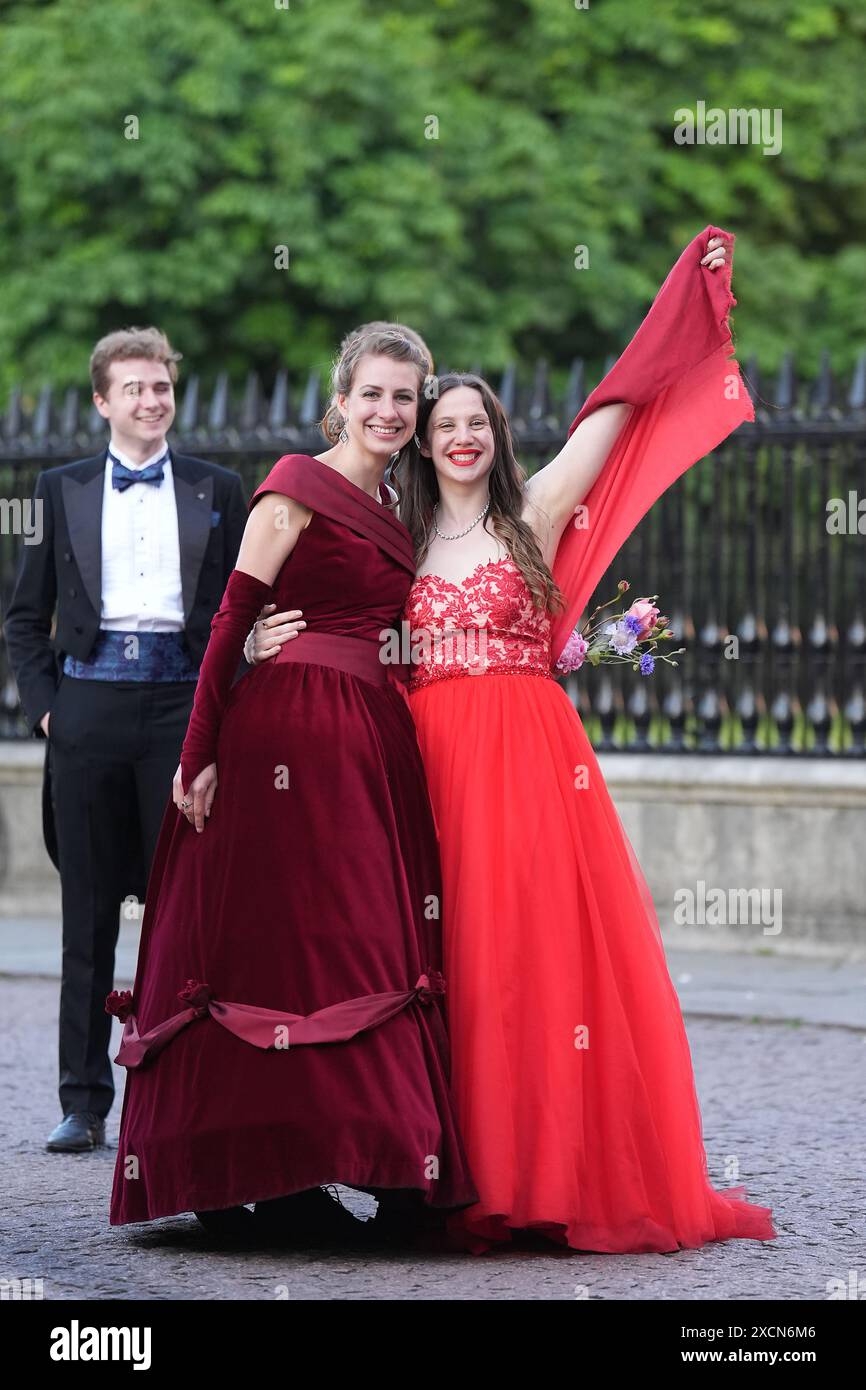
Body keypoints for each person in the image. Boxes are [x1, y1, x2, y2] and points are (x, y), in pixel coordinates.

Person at [248, 230, 779, 1253]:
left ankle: (555, 1173)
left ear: (492, 436)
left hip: (527, 759)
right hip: (423, 761)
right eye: (437, 423)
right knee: (450, 963)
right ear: (417, 439)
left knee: (533, 957)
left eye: (470, 422)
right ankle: (462, 1176)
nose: (454, 436)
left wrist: (686, 293)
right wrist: (274, 635)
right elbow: (331, 607)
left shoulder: (532, 515)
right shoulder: (390, 540)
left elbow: (613, 413)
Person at [106, 325, 477, 1243]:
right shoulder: (293, 484)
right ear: (340, 398)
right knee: (277, 947)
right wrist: (201, 753)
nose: (390, 412)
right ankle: (262, 1180)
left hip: (370, 741)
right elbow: (233, 621)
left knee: (360, 940)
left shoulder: (404, 503)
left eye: (405, 398)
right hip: (287, 727)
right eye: (374, 395)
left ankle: (390, 1165)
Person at [3, 327, 246, 1154]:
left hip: (182, 710)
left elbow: (242, 609)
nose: (152, 399)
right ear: (103, 400)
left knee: (182, 906)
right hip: (88, 712)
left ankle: (177, 1087)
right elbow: (23, 618)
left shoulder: (220, 488)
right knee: (89, 911)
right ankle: (82, 1100)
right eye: (134, 388)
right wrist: (49, 711)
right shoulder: (59, 487)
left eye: (161, 386)